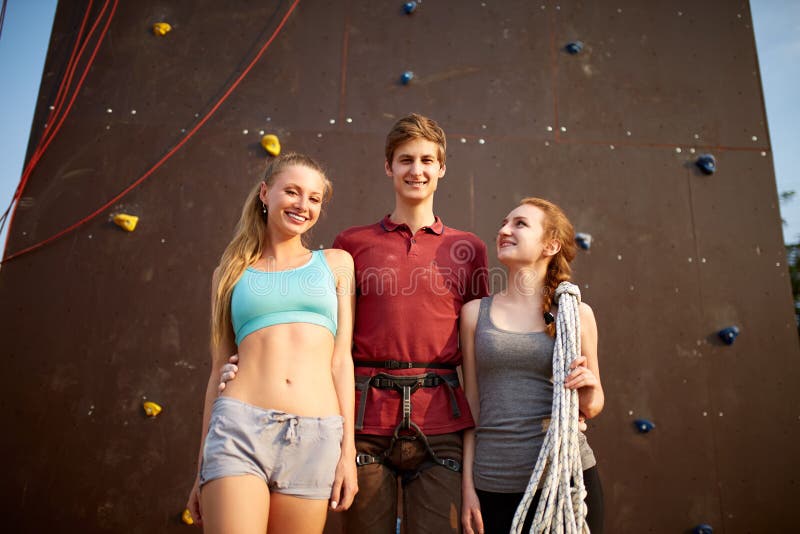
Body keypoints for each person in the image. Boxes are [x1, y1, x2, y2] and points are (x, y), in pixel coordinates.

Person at [220, 114, 489, 533]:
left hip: (441, 420)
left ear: (441, 168)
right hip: (365, 421)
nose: (415, 171)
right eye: (404, 160)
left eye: (425, 160)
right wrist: (244, 362)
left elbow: (479, 346)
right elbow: (322, 336)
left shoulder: (468, 248)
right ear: (388, 167)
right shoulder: (351, 245)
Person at [186, 152, 358, 533]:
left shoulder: (335, 264)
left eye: (314, 199)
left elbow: (341, 362)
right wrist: (201, 466)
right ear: (265, 193)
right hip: (239, 430)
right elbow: (218, 369)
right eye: (292, 192)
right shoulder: (228, 274)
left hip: (316, 436)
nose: (303, 205)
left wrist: (348, 453)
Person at [460, 197, 605, 534]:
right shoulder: (473, 314)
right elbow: (471, 406)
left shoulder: (576, 314)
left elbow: (592, 406)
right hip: (492, 481)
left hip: (564, 479)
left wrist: (592, 389)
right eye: (504, 222)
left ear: (550, 245)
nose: (504, 230)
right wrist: (467, 487)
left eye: (520, 224)